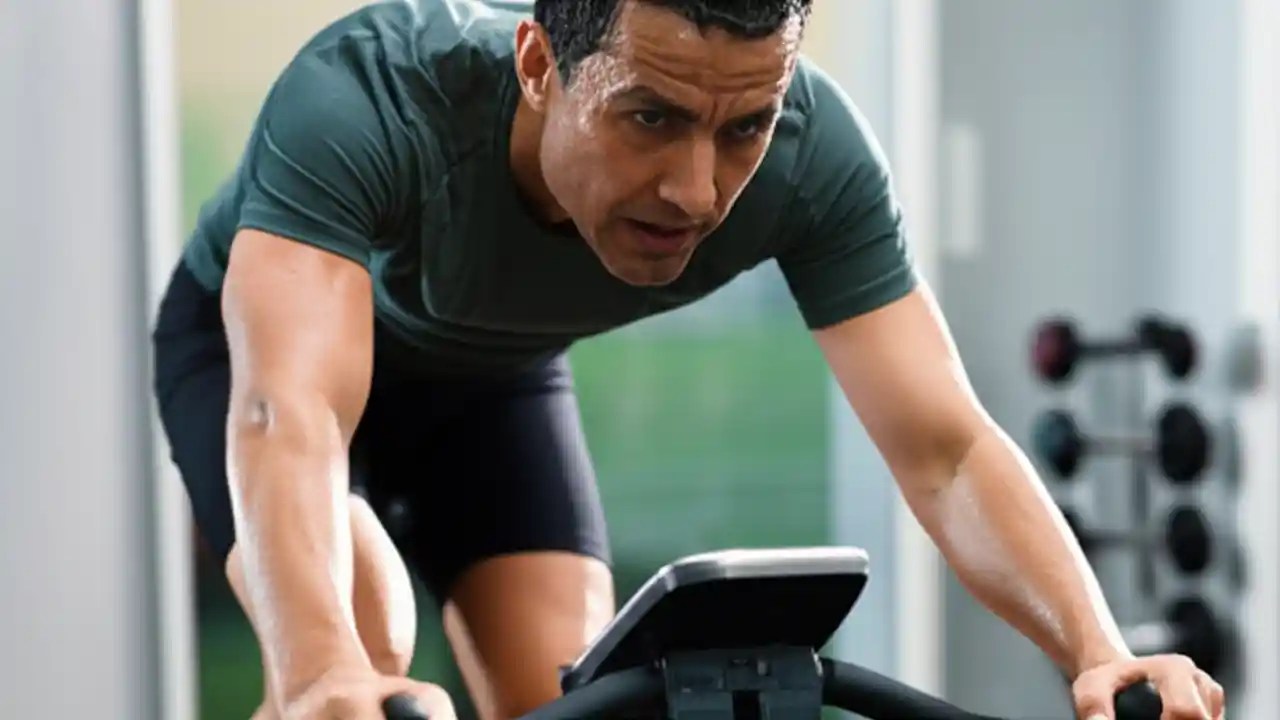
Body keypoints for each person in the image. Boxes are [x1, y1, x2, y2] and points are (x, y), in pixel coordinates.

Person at [150, 0, 1227, 718]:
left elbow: (943, 448)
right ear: (538, 65)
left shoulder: (815, 161)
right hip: (261, 367)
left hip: (495, 383)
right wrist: (317, 669)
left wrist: (1096, 648)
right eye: (648, 116)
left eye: (743, 128)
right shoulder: (371, 97)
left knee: (582, 706)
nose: (696, 192)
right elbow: (287, 408)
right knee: (361, 649)